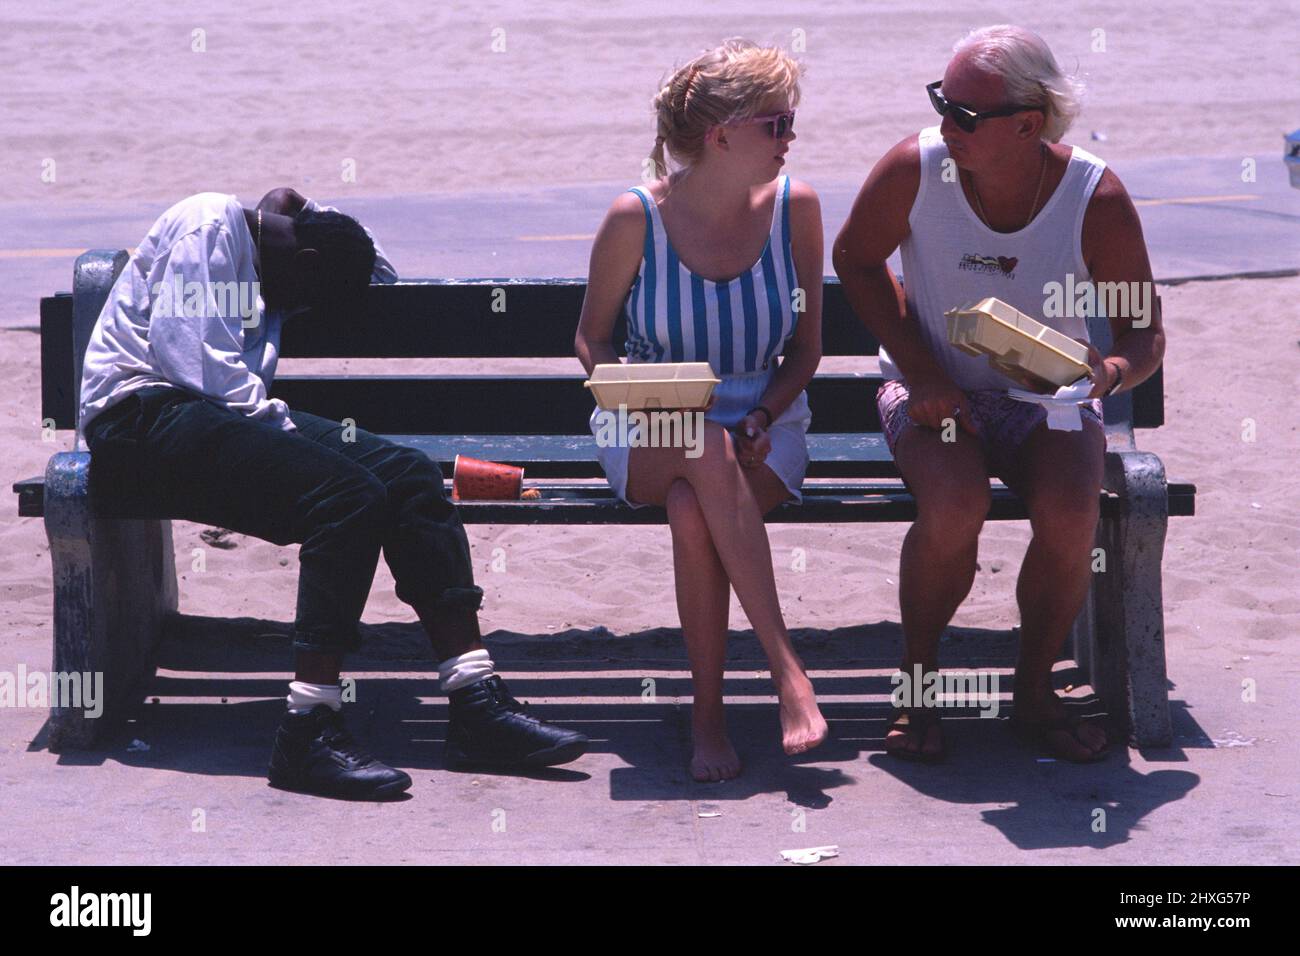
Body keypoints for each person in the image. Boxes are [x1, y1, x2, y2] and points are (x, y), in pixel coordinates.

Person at [79, 188, 588, 800]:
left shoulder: (284, 255)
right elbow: (198, 368)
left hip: (216, 413)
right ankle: (307, 732)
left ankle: (475, 700)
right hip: (143, 418)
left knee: (406, 475)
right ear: (308, 260)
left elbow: (377, 269)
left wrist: (295, 207)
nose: (294, 309)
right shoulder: (203, 225)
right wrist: (297, 441)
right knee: (345, 495)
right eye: (308, 294)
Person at [833, 25, 1166, 762]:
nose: (946, 125)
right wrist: (921, 369)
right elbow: (855, 260)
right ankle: (918, 686)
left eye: (965, 115)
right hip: (931, 393)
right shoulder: (915, 167)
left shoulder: (1095, 195)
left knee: (1072, 508)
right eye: (941, 103)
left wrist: (1102, 376)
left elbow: (1143, 337)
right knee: (956, 504)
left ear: (1028, 124)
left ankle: (1033, 692)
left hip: (1046, 403)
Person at [575, 38, 828, 782]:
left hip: (766, 426)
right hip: (651, 426)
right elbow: (590, 340)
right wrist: (649, 403)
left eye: (790, 121)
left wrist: (764, 413)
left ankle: (709, 720)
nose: (791, 137)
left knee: (695, 504)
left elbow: (807, 351)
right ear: (721, 137)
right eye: (776, 123)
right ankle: (787, 673)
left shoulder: (797, 210)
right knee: (699, 447)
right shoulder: (636, 218)